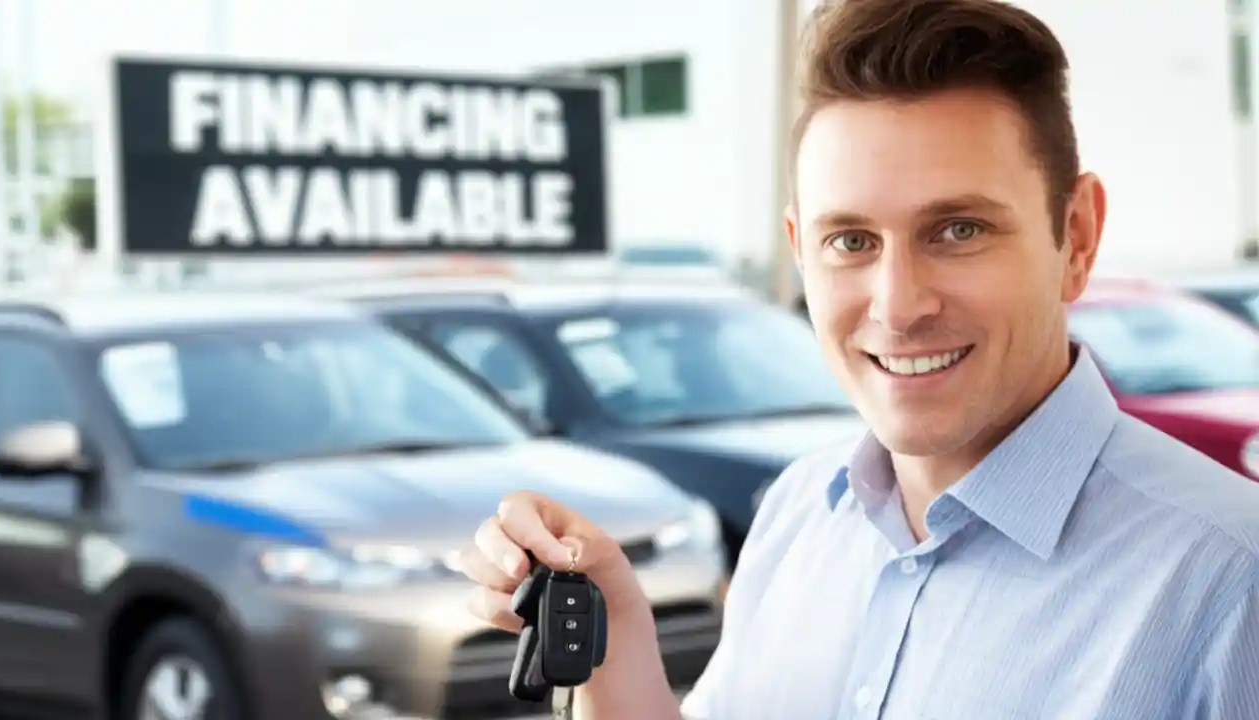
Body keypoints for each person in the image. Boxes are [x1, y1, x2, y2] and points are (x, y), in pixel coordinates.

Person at [457, 1, 1259, 718]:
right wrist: (616, 631)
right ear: (801, 253)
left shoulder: (1232, 583)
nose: (898, 304)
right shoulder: (798, 515)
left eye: (959, 230)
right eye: (851, 241)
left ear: (1076, 236)